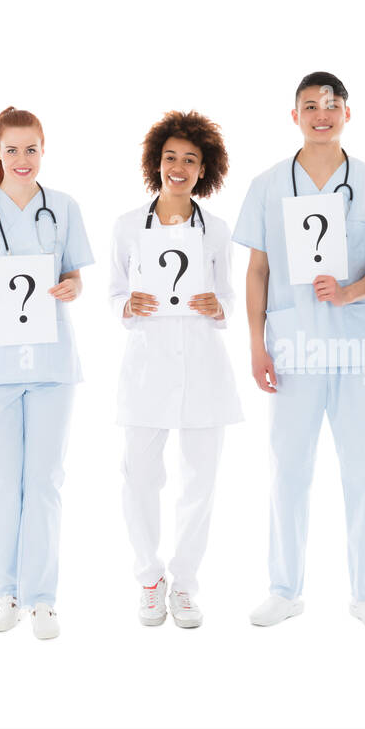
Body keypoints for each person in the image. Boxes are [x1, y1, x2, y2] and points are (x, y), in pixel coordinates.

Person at [234, 71, 365, 629]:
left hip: (353, 351)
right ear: (295, 116)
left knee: (363, 471)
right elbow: (257, 270)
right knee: (289, 470)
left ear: (347, 114)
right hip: (291, 350)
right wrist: (255, 344)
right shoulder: (267, 184)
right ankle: (284, 589)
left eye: (330, 107)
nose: (320, 115)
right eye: (310, 106)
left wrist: (350, 290)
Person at [0, 107, 94, 640]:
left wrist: (73, 288)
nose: (22, 159)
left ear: (43, 149)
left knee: (46, 482)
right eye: (12, 149)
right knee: (5, 484)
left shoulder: (65, 207)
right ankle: (6, 592)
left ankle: (43, 599)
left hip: (52, 362)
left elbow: (74, 276)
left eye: (31, 148)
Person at [109, 111, 242, 628]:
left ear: (204, 168)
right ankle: (149, 576)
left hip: (204, 369)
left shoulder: (218, 230)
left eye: (190, 159)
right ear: (156, 164)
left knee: (199, 482)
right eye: (170, 158)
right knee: (138, 476)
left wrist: (217, 306)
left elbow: (229, 294)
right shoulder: (126, 227)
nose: (179, 167)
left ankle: (184, 584)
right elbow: (113, 294)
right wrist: (128, 305)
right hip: (146, 369)